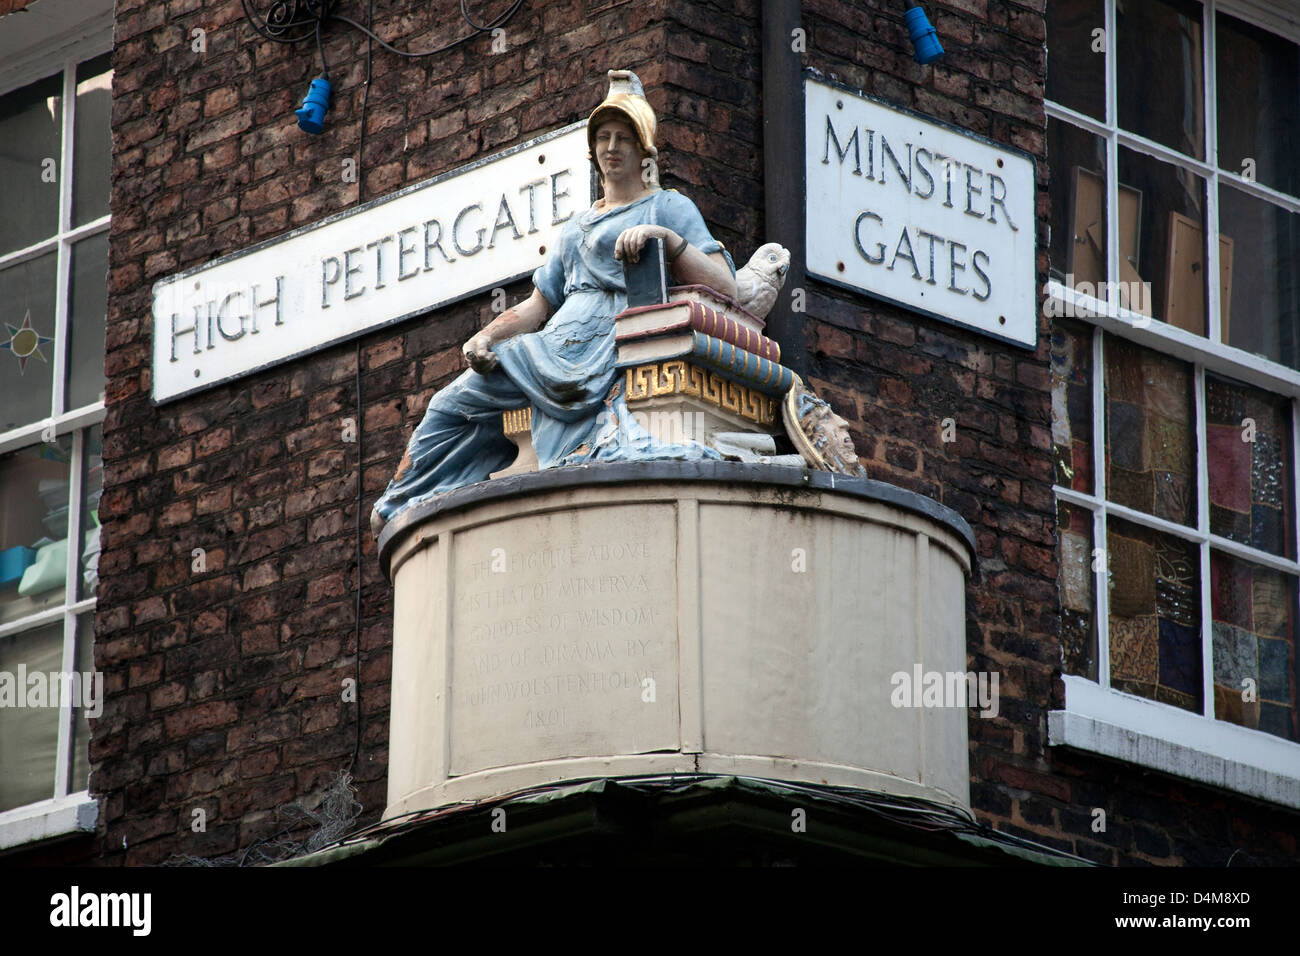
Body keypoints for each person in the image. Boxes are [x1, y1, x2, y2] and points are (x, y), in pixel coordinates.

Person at [371, 71, 737, 533]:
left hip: (613, 339)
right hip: (552, 343)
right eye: (602, 137)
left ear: (643, 148)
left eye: (624, 137)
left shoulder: (667, 208)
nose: (611, 147)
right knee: (449, 403)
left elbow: (726, 287)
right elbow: (537, 307)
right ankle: (405, 505)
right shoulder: (576, 227)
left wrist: (666, 240)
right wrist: (484, 337)